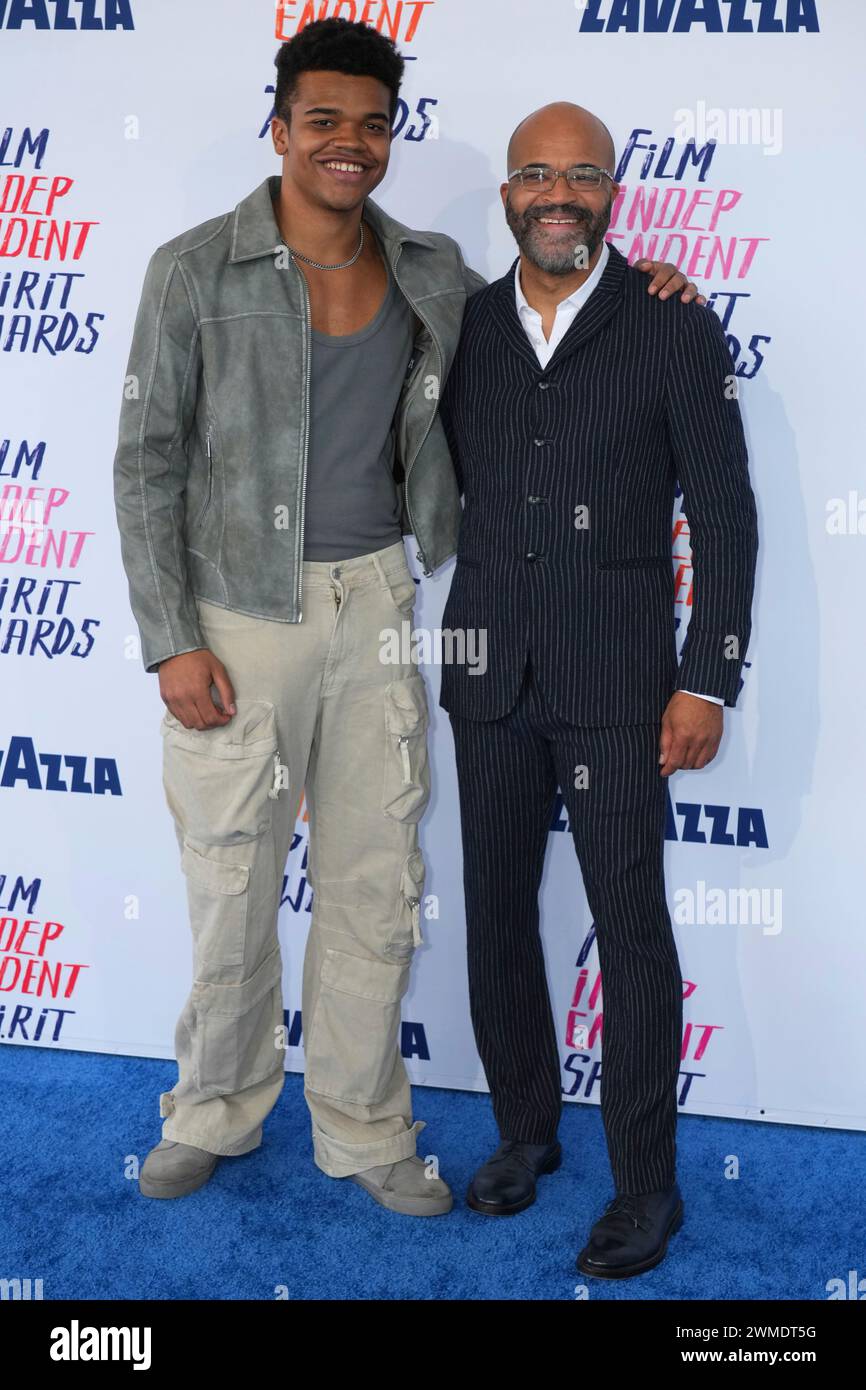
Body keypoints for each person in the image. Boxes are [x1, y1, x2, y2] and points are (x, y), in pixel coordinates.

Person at [113, 18, 701, 1213]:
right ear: (277, 129)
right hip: (233, 616)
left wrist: (648, 285)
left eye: (370, 124)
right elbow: (144, 463)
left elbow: (558, 304)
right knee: (231, 882)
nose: (347, 143)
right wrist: (170, 634)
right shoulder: (189, 268)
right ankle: (213, 1109)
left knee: (376, 881)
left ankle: (366, 1126)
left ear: (391, 139)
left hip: (380, 596)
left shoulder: (431, 269)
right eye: (321, 120)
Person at [438, 101, 758, 1275]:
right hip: (485, 672)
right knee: (494, 920)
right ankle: (525, 1129)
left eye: (580, 174)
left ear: (612, 193)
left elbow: (720, 516)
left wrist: (705, 678)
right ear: (509, 194)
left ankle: (646, 1186)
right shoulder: (463, 322)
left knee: (630, 932)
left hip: (623, 680)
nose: (555, 193)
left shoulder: (671, 323)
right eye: (534, 173)